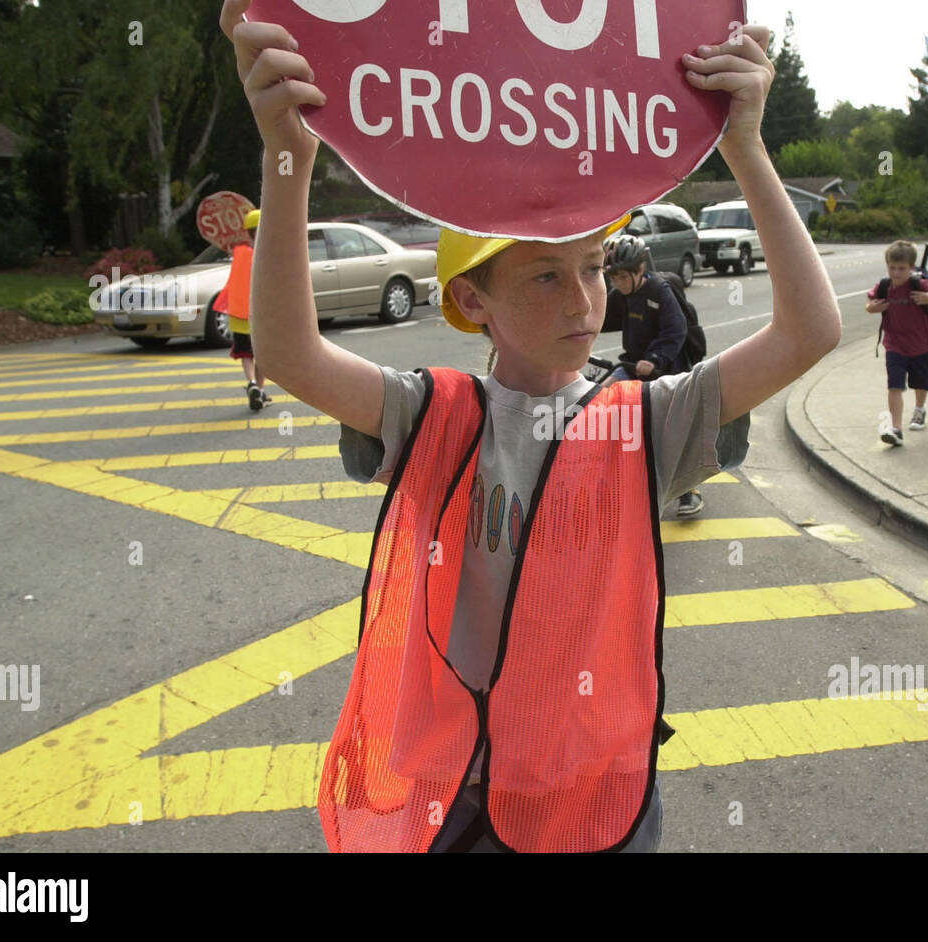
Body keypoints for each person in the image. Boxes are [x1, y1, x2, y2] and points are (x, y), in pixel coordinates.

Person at [220, 0, 842, 853]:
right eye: (546, 278)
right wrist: (287, 155)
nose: (586, 302)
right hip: (461, 794)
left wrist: (744, 147)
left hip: (597, 793)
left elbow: (811, 332)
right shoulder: (432, 413)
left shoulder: (645, 420)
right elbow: (289, 352)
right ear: (474, 301)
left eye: (592, 268)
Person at [602, 233, 704, 516]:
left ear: (640, 270)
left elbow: (676, 331)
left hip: (665, 370)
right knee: (602, 402)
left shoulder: (660, 292)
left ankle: (688, 491)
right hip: (632, 365)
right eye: (612, 278)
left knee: (666, 433)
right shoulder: (621, 296)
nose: (617, 283)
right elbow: (598, 318)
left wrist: (655, 358)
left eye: (622, 277)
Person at [864, 240, 928, 446]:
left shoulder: (920, 285)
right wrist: (873, 308)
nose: (896, 273)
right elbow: (869, 305)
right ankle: (896, 429)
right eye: (892, 267)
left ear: (912, 267)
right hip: (895, 344)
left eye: (902, 269)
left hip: (922, 344)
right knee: (894, 386)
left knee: (921, 383)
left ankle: (919, 410)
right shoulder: (884, 286)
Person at [213, 209, 272, 410]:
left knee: (246, 353)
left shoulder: (239, 252)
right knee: (262, 356)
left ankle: (252, 383)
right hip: (262, 315)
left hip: (238, 314)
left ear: (248, 232)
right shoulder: (267, 253)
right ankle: (261, 391)